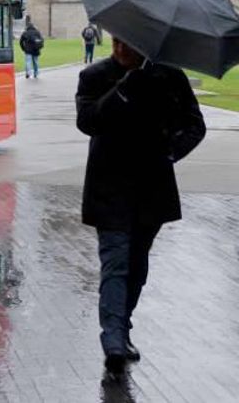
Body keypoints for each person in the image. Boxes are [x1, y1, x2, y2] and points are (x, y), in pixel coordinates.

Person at [76, 36, 206, 383]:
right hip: (110, 189)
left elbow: (195, 125)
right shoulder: (95, 76)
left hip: (151, 189)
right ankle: (113, 341)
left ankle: (122, 326)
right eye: (117, 42)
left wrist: (170, 153)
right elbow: (88, 121)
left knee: (136, 265)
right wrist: (123, 87)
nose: (121, 49)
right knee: (115, 263)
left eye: (130, 44)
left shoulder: (168, 76)